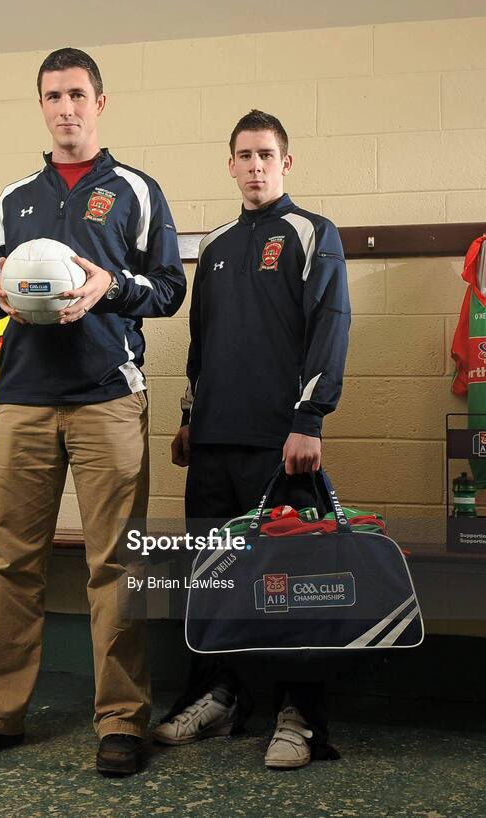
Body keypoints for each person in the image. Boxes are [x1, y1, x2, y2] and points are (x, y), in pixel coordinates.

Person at [0, 48, 186, 776]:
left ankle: (121, 720)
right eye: (52, 96)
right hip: (21, 399)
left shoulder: (137, 191)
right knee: (12, 561)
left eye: (77, 94)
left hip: (108, 397)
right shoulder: (12, 197)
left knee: (115, 564)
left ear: (99, 103)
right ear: (41, 106)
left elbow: (169, 289)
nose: (65, 107)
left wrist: (111, 285)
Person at [154, 110, 351, 769]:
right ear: (230, 164)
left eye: (266, 153)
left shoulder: (311, 233)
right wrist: (189, 416)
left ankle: (299, 716)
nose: (255, 165)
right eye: (244, 155)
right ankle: (218, 696)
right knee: (212, 579)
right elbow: (200, 345)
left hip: (280, 443)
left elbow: (330, 325)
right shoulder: (212, 245)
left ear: (285, 162)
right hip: (212, 443)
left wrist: (309, 419)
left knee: (288, 582)